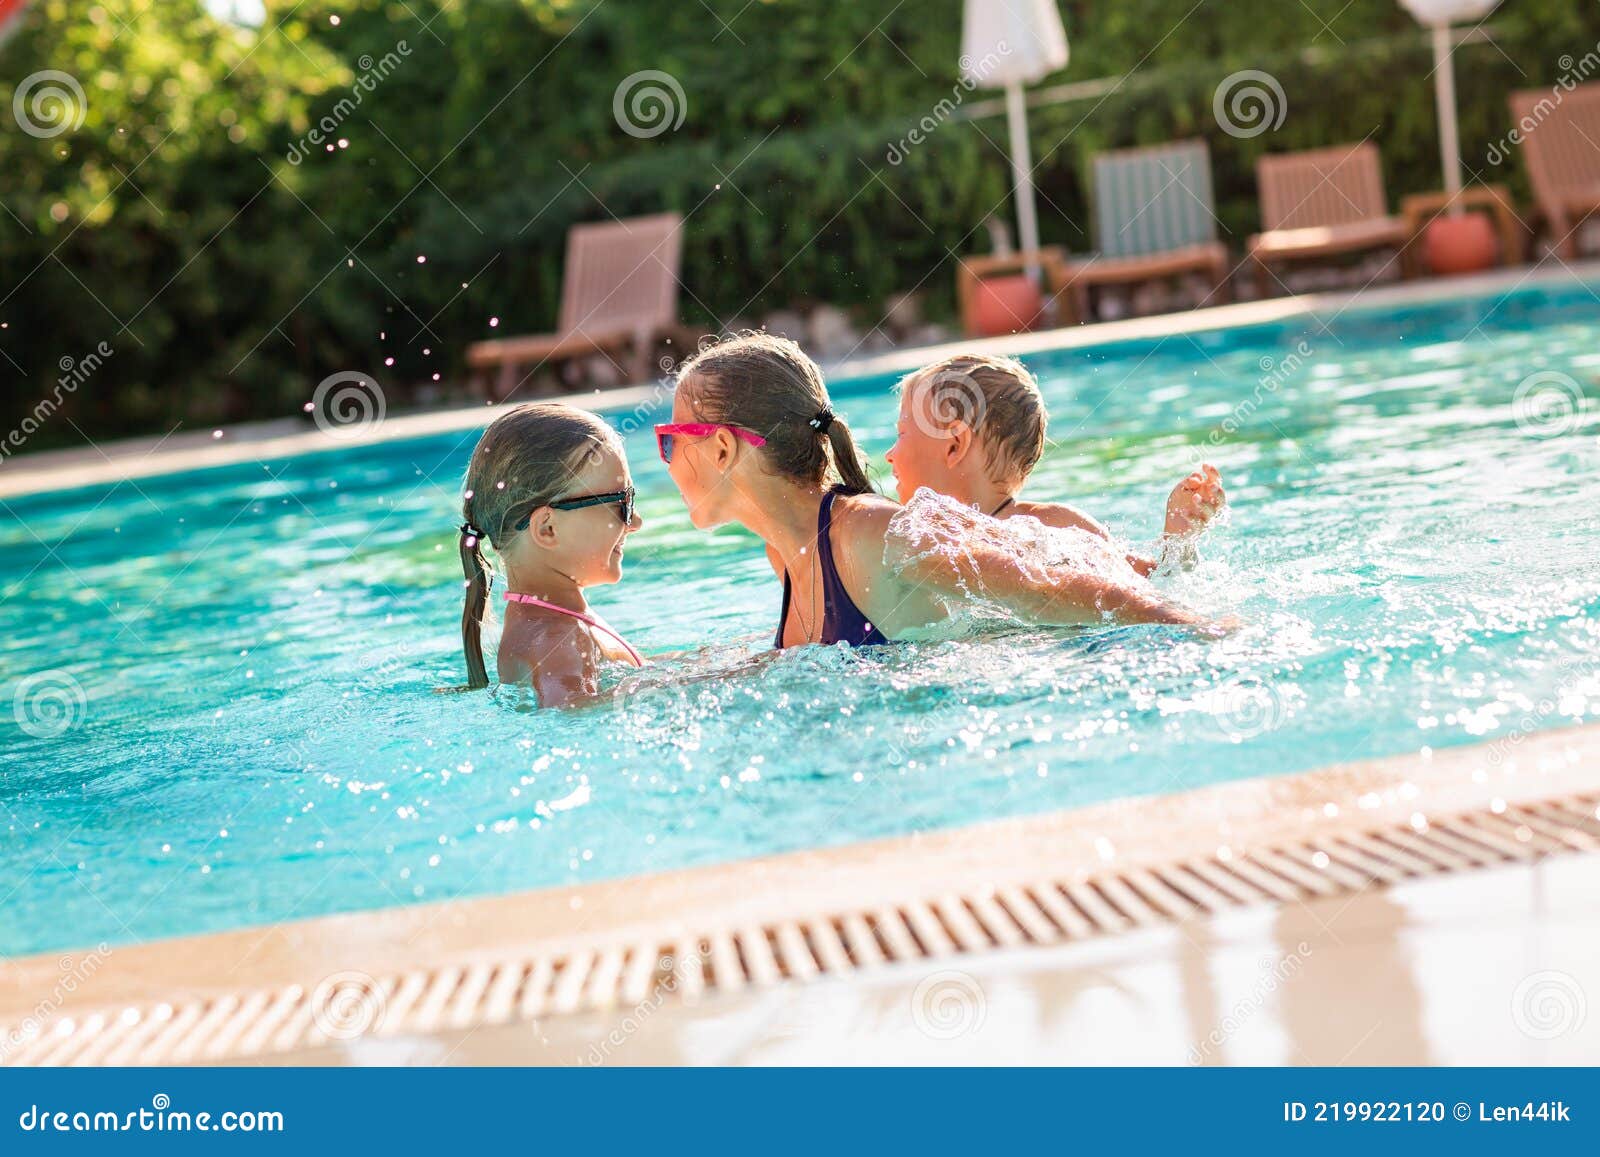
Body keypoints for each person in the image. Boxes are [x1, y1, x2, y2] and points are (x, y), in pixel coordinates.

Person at [657, 333, 1220, 648]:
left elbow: (1062, 589)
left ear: (723, 449)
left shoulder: (877, 536)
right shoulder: (784, 554)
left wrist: (1211, 635)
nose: (666, 459)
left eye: (670, 441)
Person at [885, 352, 1226, 575]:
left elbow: (1155, 580)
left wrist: (1178, 541)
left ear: (954, 446)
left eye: (901, 434)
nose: (889, 454)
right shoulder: (915, 534)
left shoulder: (1052, 527)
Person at [458, 402, 643, 705]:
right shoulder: (558, 636)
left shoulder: (549, 620)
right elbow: (573, 718)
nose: (635, 522)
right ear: (547, 528)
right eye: (620, 504)